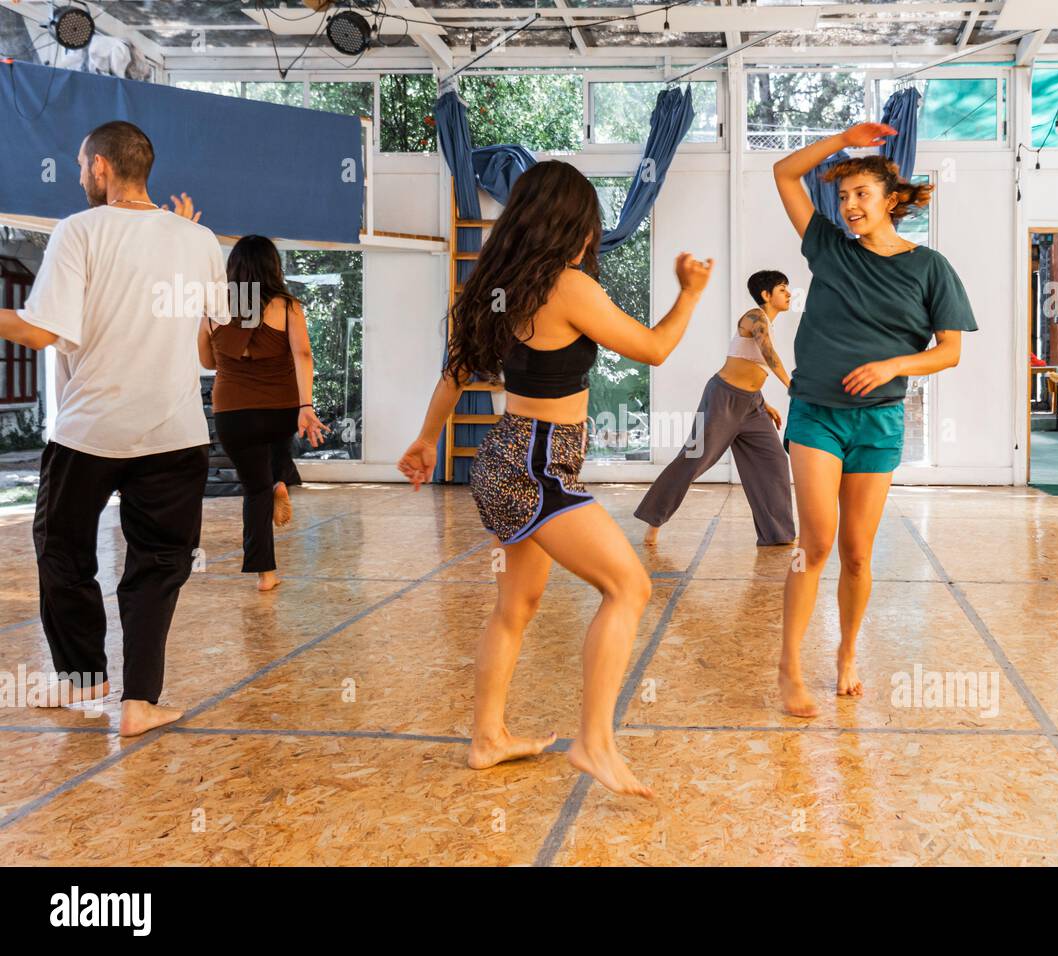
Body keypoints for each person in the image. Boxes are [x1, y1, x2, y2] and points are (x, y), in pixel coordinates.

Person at [398, 161, 712, 798]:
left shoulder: (502, 286)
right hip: (536, 464)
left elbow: (455, 373)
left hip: (513, 454)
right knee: (630, 587)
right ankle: (594, 741)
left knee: (517, 604)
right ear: (574, 223)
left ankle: (488, 738)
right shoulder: (567, 286)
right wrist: (692, 292)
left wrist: (428, 439)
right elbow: (652, 349)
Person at [0, 121, 231, 736]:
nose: (80, 176)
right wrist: (182, 240)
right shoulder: (200, 239)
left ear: (101, 167)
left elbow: (43, 331)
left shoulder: (79, 231)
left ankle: (82, 680)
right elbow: (212, 349)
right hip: (175, 434)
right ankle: (139, 704)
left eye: (81, 165)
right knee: (158, 564)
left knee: (62, 551)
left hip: (89, 432)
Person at [772, 123, 977, 717]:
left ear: (890, 201)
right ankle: (789, 669)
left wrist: (892, 364)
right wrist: (840, 142)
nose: (850, 206)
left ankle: (847, 653)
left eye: (862, 194)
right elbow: (783, 174)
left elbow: (949, 350)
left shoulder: (930, 267)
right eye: (843, 196)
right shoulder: (827, 247)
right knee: (814, 543)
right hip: (816, 414)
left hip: (879, 422)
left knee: (858, 553)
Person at [198, 235, 328, 592]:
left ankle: (265, 574)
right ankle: (281, 479)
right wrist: (306, 406)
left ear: (233, 269)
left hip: (233, 413)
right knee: (280, 445)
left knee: (253, 491)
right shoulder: (287, 306)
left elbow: (207, 361)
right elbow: (302, 355)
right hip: (280, 408)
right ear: (274, 267)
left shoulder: (214, 307)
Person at [636, 269, 797, 547]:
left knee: (775, 460)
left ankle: (778, 534)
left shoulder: (768, 323)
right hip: (724, 398)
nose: (789, 293)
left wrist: (764, 402)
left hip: (752, 404)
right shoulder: (755, 317)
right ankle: (653, 520)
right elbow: (769, 354)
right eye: (782, 288)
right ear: (765, 295)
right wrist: (792, 386)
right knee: (695, 458)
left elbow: (749, 365)